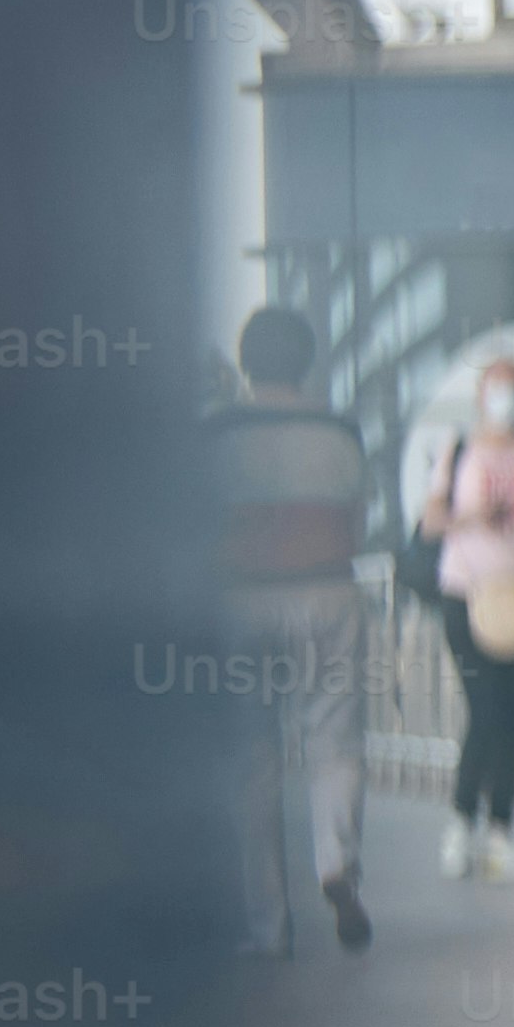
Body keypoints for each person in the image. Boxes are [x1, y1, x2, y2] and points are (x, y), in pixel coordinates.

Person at [207, 302, 369, 957]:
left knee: (252, 762)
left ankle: (267, 924)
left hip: (243, 601)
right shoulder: (341, 431)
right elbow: (357, 526)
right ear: (307, 359)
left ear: (246, 361)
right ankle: (335, 861)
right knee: (334, 741)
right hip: (329, 590)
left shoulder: (217, 433)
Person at [417, 346, 514, 881]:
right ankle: (461, 823)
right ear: (480, 393)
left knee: (513, 715)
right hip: (464, 595)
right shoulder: (458, 448)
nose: (505, 396)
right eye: (497, 385)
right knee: (485, 709)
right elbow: (431, 521)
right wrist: (475, 514)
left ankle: (501, 830)